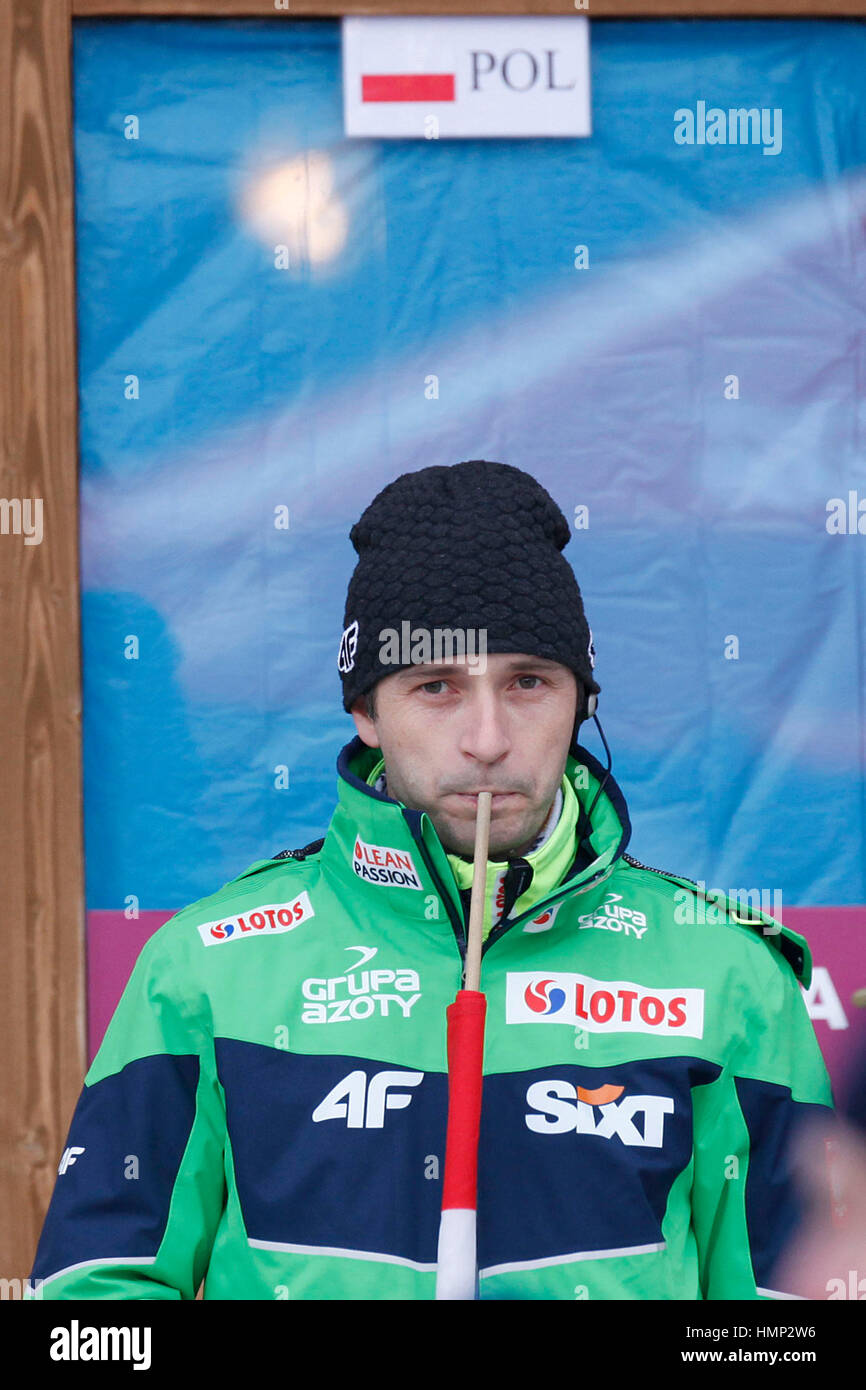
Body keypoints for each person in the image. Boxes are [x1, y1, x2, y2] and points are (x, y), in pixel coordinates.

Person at [29, 459, 833, 1300]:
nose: (487, 739)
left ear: (581, 700)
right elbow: (93, 1312)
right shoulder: (204, 967)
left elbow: (790, 1324)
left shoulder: (725, 973)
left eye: (528, 682)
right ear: (368, 712)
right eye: (437, 686)